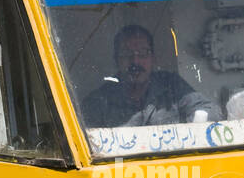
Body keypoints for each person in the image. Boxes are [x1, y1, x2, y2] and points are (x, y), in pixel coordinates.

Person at [82, 23, 214, 127]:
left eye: (143, 53)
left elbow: (209, 110)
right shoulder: (98, 101)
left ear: (153, 58)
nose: (135, 61)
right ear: (116, 60)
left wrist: (193, 130)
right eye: (127, 54)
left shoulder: (171, 85)